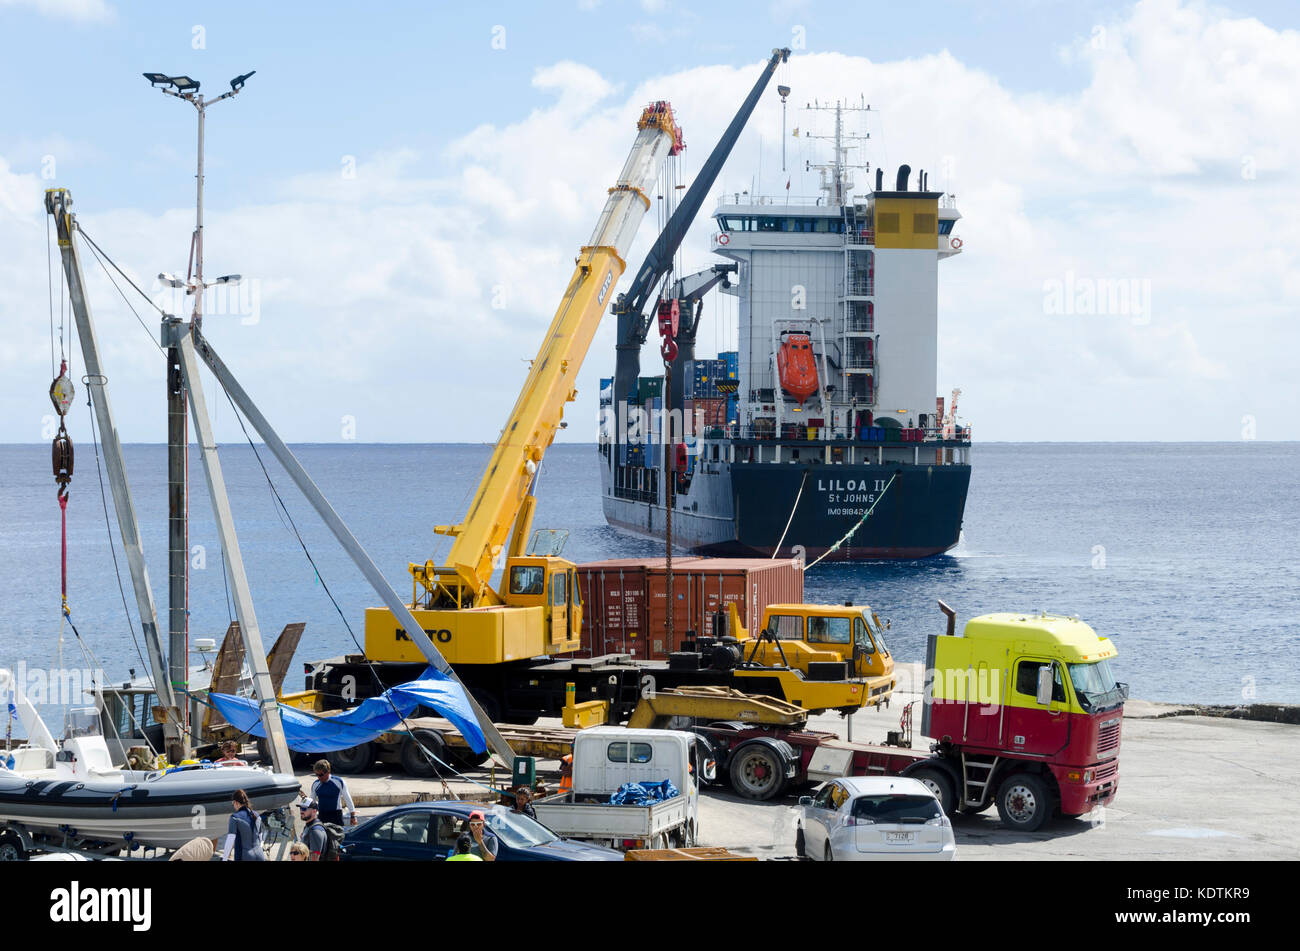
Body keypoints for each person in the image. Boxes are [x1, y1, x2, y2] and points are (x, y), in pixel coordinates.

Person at [310, 759, 357, 827]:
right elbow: (312, 802)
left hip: (336, 815)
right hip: (322, 815)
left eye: (321, 775)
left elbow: (347, 798)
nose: (319, 777)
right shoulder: (315, 784)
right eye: (317, 775)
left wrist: (353, 816)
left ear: (328, 772)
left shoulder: (338, 782)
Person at [222, 789, 266, 861]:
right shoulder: (257, 815)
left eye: (233, 804)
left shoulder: (235, 817)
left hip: (245, 856)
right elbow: (261, 839)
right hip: (260, 855)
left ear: (236, 802)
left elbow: (230, 840)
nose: (234, 807)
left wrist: (224, 859)